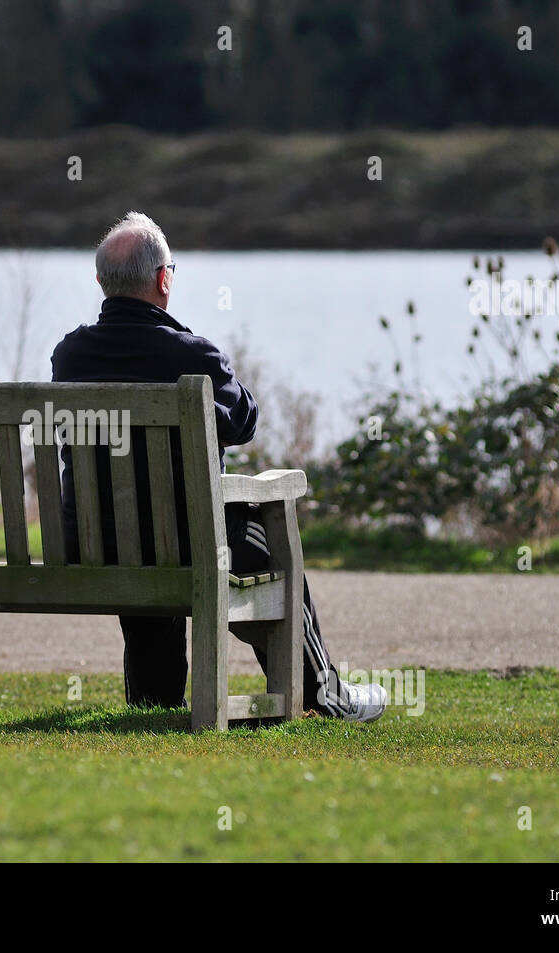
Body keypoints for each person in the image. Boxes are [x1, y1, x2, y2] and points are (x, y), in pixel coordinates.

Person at [49, 211, 387, 722]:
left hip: (96, 544)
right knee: (260, 540)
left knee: (141, 526)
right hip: (191, 543)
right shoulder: (194, 355)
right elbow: (244, 421)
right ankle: (324, 694)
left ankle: (154, 703)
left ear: (101, 283)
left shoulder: (69, 357)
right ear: (164, 279)